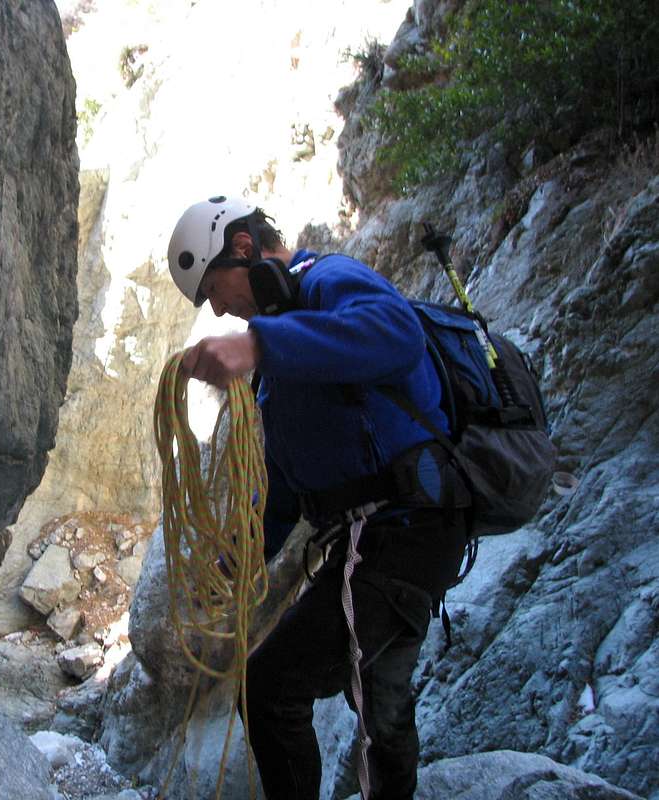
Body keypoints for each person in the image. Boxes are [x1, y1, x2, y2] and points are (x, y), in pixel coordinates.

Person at [167, 196, 471, 800]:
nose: (221, 309)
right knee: (321, 692)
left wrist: (260, 346)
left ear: (244, 248)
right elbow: (285, 490)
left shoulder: (328, 280)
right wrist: (234, 559)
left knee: (301, 690)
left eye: (215, 289)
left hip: (407, 526)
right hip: (376, 539)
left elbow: (395, 333)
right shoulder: (282, 361)